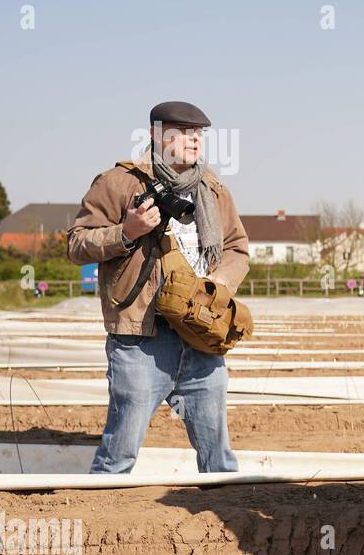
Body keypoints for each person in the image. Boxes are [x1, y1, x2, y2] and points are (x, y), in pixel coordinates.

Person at [67, 101, 250, 473]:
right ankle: (100, 521)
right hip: (141, 340)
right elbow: (76, 244)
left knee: (219, 460)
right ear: (155, 134)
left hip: (200, 335)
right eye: (182, 132)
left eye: (198, 133)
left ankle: (223, 521)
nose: (193, 140)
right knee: (119, 455)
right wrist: (127, 232)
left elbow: (236, 249)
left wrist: (220, 283)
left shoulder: (212, 189)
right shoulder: (118, 183)